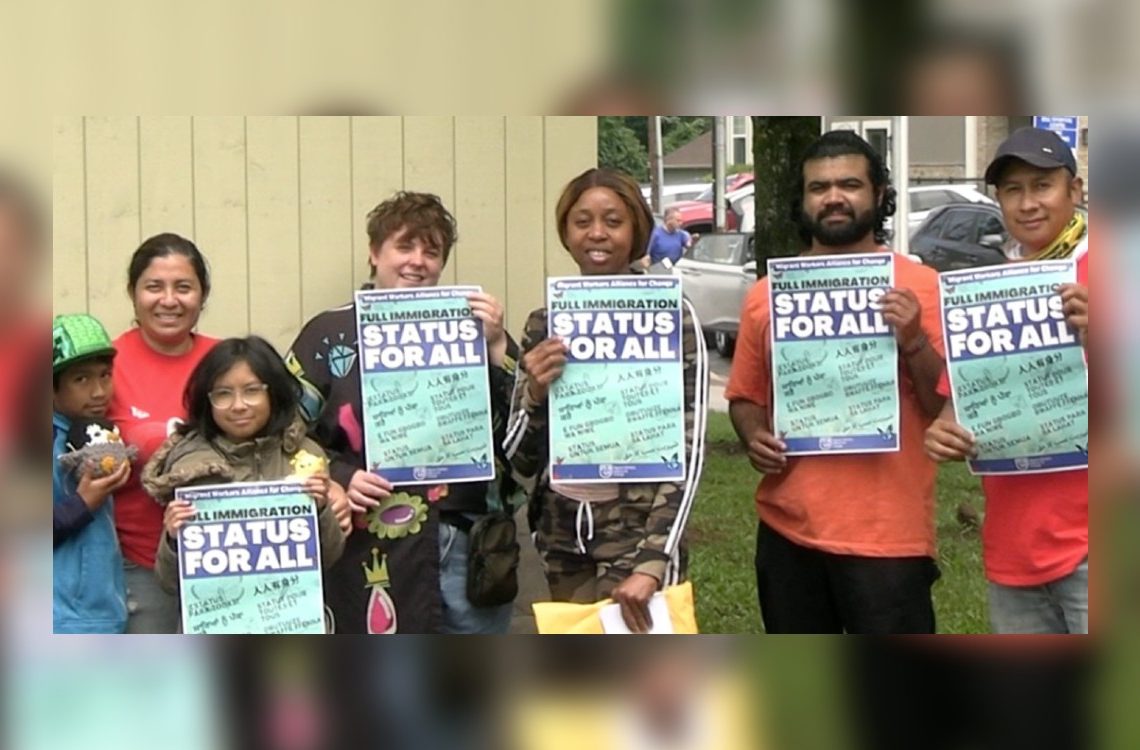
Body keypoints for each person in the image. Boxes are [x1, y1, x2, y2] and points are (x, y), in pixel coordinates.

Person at [724, 130, 947, 633]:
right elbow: (744, 396)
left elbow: (944, 411)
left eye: (850, 184)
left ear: (879, 194)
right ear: (802, 200)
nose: (833, 197)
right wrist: (754, 435)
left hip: (890, 538)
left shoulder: (923, 287)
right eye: (818, 187)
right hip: (788, 532)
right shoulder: (766, 296)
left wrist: (913, 339)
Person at [286, 191, 522, 634]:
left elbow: (524, 431)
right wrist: (338, 475)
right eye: (404, 246)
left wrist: (497, 346)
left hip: (469, 546)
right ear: (374, 253)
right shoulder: (329, 334)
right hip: (367, 547)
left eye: (431, 251)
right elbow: (279, 434)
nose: (418, 261)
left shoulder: (477, 329)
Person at [504, 167, 709, 633]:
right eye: (583, 221)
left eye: (613, 221)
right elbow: (519, 457)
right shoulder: (545, 323)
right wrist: (534, 393)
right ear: (566, 231)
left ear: (636, 228)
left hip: (639, 535)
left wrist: (655, 558)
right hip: (562, 536)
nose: (597, 233)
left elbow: (691, 448)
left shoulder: (672, 318)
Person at [924, 127, 1089, 634]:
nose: (1028, 203)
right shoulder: (991, 290)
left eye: (1042, 186)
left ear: (1075, 190)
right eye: (1013, 190)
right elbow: (956, 410)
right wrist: (942, 435)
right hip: (1015, 553)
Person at [141, 336, 346, 610]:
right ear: (207, 400)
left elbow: (329, 558)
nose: (238, 405)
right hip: (220, 620)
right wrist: (174, 539)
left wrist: (321, 511)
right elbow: (170, 583)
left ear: (274, 392)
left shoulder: (306, 455)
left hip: (291, 617)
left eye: (252, 391)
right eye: (223, 394)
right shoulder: (190, 467)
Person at [105, 233, 221, 632]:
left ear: (202, 296)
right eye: (154, 286)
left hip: (232, 559)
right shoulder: (104, 368)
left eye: (183, 287)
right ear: (132, 293)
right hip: (141, 566)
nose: (169, 300)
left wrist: (327, 484)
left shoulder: (229, 360)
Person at [52, 313, 131, 633]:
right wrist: (82, 504)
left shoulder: (95, 433)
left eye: (105, 375)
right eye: (81, 379)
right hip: (60, 620)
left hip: (102, 610)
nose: (99, 391)